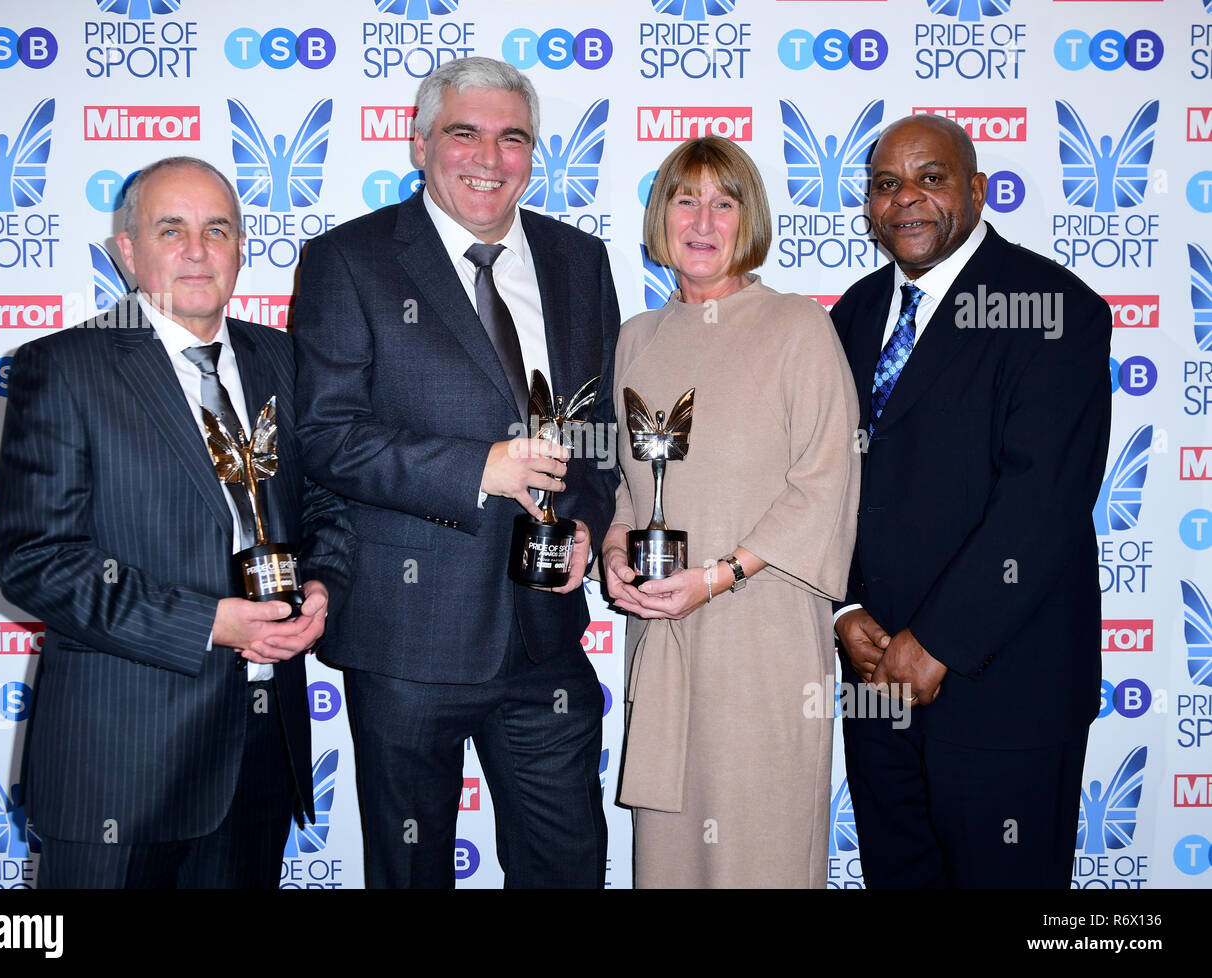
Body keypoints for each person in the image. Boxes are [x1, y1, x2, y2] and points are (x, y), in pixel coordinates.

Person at [293, 57, 620, 888]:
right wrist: (481, 467)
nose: (489, 156)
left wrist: (582, 520)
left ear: (534, 152)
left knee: (570, 867)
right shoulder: (348, 260)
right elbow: (328, 436)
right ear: (419, 142)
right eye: (464, 132)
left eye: (513, 137)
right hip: (406, 641)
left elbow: (599, 432)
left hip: (545, 641)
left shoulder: (579, 260)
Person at [0, 156, 348, 888]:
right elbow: (36, 561)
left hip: (259, 751)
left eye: (217, 229)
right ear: (127, 250)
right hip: (120, 765)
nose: (197, 250)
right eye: (171, 229)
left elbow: (325, 503)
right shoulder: (61, 367)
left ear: (242, 247)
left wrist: (321, 585)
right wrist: (208, 623)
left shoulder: (282, 359)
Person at [831, 114, 1111, 888]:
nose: (906, 200)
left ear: (978, 190)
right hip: (873, 680)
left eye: (931, 177)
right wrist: (844, 609)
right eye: (886, 184)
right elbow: (824, 483)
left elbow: (1042, 501)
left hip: (1004, 692)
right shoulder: (850, 315)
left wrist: (942, 640)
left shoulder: (1053, 307)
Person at [600, 136, 860, 888]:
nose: (703, 220)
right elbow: (628, 486)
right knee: (673, 857)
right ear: (661, 215)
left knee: (761, 850)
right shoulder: (637, 339)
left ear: (750, 219)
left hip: (763, 637)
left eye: (724, 201)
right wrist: (618, 553)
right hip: (663, 634)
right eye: (686, 199)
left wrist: (715, 577)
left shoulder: (798, 326)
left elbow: (824, 484)